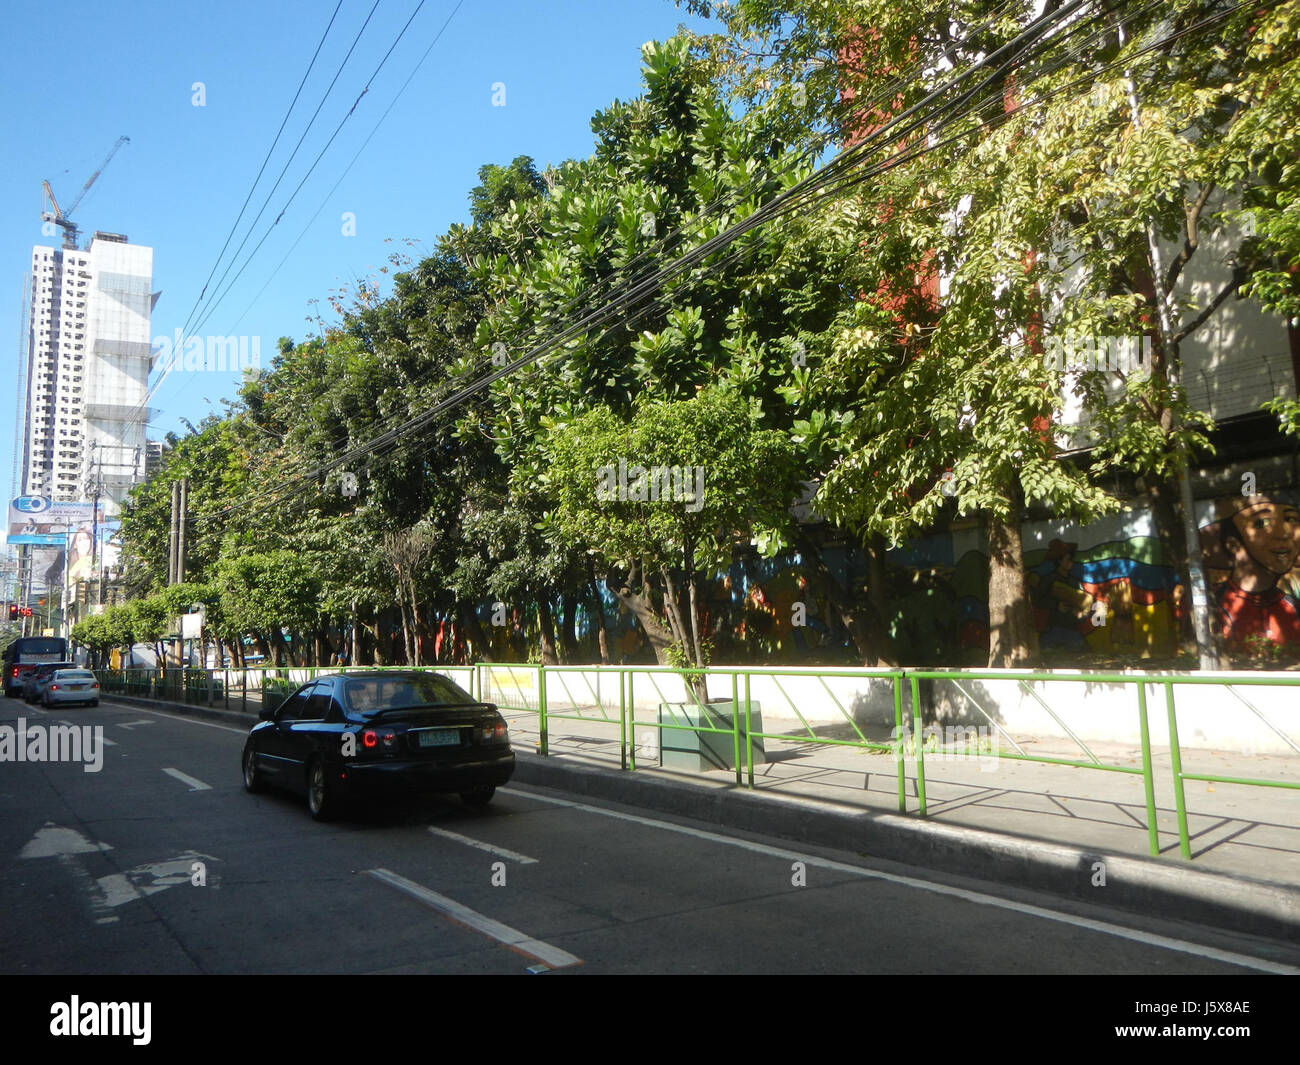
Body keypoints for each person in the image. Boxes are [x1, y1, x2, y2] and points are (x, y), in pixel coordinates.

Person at [1211, 495, 1300, 650]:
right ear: (1233, 545)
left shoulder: (1292, 607)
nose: (1283, 534)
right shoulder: (1213, 602)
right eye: (1261, 523)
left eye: (1291, 520)